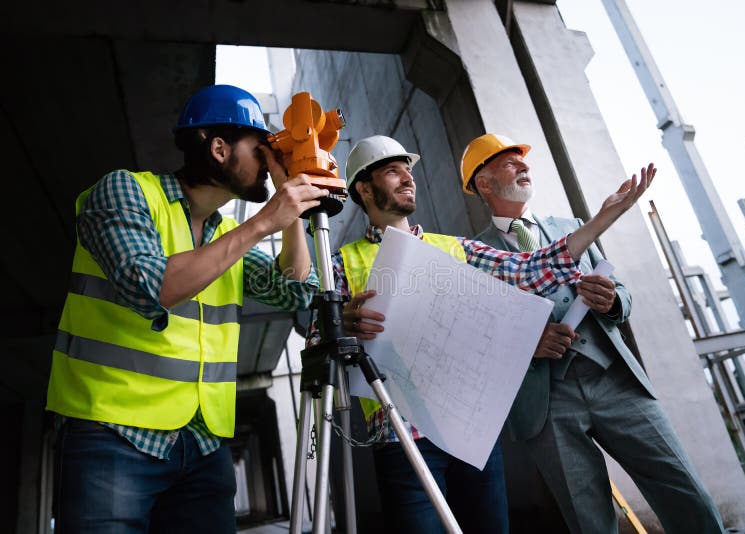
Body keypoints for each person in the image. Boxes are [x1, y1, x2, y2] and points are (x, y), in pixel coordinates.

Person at [310, 134, 654, 533]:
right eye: (393, 171)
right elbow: (318, 346)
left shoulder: (456, 249)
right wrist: (342, 328)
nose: (408, 178)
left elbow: (530, 268)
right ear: (364, 189)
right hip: (401, 439)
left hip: (472, 436)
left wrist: (599, 222)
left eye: (409, 170)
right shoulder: (341, 265)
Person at [46, 84, 328, 533]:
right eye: (262, 151)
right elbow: (150, 287)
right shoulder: (125, 192)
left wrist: (288, 211)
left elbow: (296, 292)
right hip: (113, 435)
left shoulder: (228, 234)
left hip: (201, 443)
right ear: (218, 149)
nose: (269, 164)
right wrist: (264, 222)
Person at [462, 133, 724, 533]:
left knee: (685, 492)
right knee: (590, 522)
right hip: (546, 403)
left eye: (523, 160)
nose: (524, 166)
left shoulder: (571, 227)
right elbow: (478, 336)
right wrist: (527, 345)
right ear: (483, 182)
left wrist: (611, 301)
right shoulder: (471, 255)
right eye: (510, 162)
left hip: (614, 380)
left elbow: (623, 295)